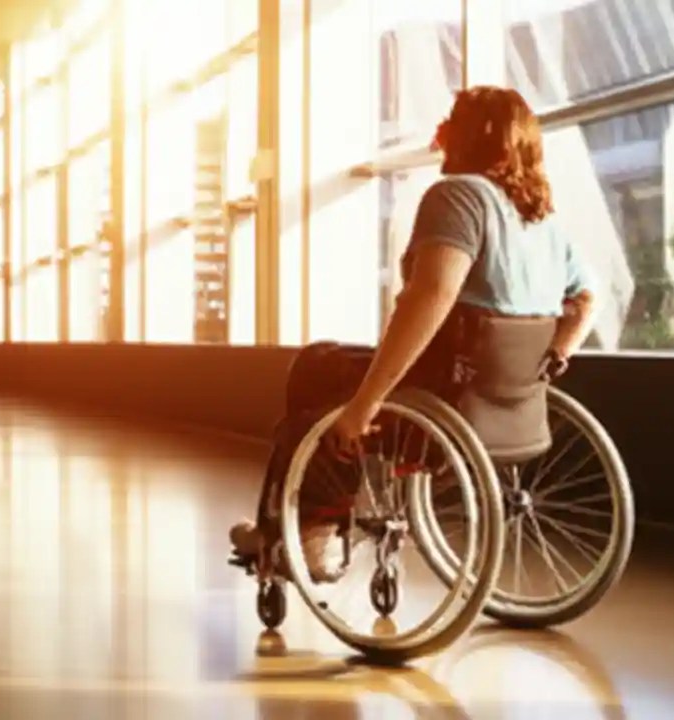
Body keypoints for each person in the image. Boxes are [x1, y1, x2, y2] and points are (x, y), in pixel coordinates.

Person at [233, 85, 598, 583]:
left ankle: (313, 528)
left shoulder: (458, 197)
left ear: (466, 136)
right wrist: (554, 355)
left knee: (317, 375)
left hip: (447, 389)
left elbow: (431, 298)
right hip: (511, 400)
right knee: (330, 362)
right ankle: (303, 524)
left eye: (452, 122)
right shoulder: (544, 224)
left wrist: (364, 405)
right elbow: (584, 302)